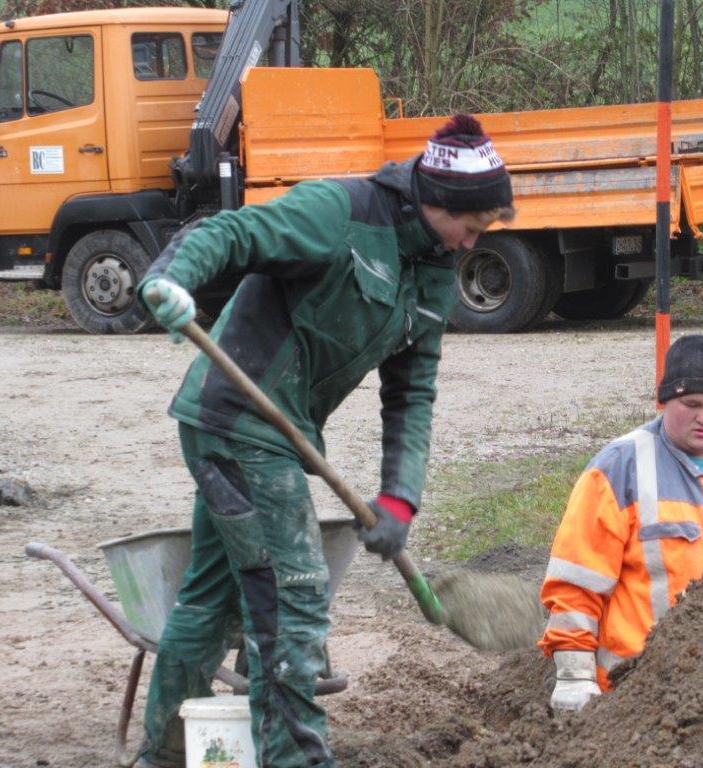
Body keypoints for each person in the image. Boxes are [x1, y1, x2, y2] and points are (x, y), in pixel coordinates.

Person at [134, 114, 514, 768]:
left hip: (278, 432)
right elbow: (231, 232)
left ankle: (164, 754)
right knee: (296, 591)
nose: (469, 244)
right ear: (436, 201)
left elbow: (412, 393)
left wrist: (399, 498)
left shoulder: (433, 275)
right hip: (236, 414)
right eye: (470, 228)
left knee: (212, 595)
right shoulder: (340, 211)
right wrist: (172, 278)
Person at [538, 334, 703, 711]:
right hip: (638, 694)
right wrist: (574, 677)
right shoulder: (620, 468)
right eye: (691, 404)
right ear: (665, 400)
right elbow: (576, 583)